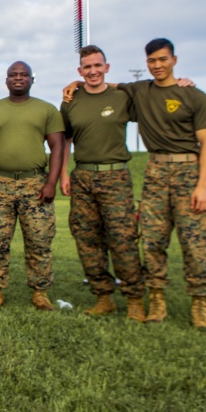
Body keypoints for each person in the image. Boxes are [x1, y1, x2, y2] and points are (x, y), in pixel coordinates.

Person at [118, 39, 206, 328]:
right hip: (156, 172)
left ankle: (200, 304)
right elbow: (104, 86)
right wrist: (75, 81)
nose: (157, 65)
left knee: (195, 242)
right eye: (152, 61)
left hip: (189, 172)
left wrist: (202, 186)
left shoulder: (195, 96)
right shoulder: (140, 91)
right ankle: (157, 300)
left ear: (174, 59)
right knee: (152, 241)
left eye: (162, 59)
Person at [59, 46, 145, 321]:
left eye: (98, 66)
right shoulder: (71, 99)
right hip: (83, 176)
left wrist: (182, 82)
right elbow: (65, 140)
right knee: (86, 239)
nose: (93, 71)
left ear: (107, 67)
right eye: (87, 67)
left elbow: (151, 91)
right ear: (80, 71)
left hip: (115, 176)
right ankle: (103, 296)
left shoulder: (121, 97)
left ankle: (134, 299)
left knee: (122, 239)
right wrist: (63, 174)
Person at [0, 61, 65, 311]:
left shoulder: (47, 110)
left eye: (23, 75)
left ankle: (40, 292)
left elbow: (58, 147)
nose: (18, 78)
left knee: (39, 240)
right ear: (6, 80)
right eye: (13, 75)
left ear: (31, 80)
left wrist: (51, 183)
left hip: (35, 184)